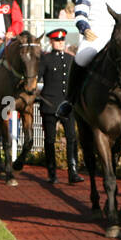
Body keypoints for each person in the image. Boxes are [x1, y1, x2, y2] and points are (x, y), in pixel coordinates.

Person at [37, 28, 82, 184]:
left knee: (72, 138)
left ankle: (73, 171)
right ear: (51, 42)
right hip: (49, 104)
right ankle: (52, 172)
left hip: (67, 105)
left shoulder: (71, 59)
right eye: (57, 40)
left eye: (62, 40)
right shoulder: (45, 59)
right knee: (50, 140)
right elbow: (36, 78)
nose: (60, 43)